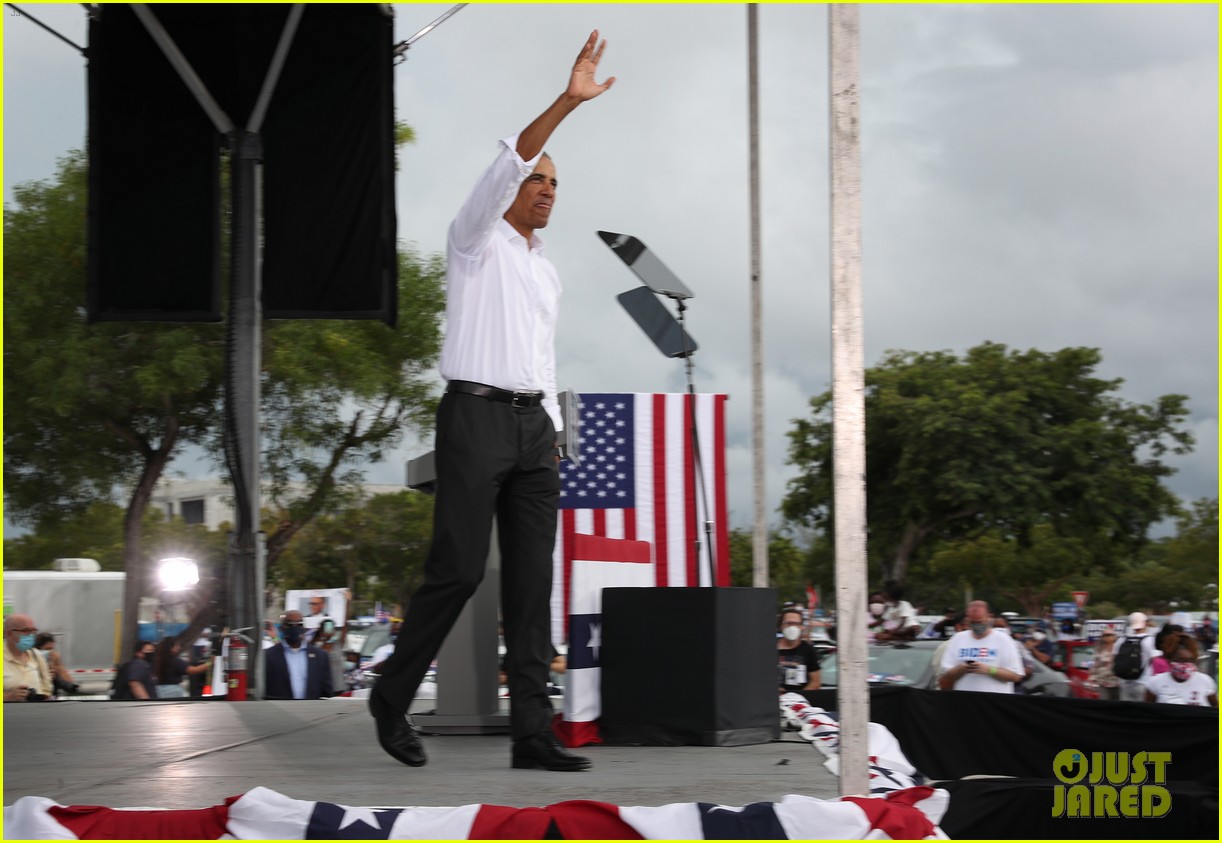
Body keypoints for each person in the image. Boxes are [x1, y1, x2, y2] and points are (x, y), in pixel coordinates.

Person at [370, 30, 614, 774]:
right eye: (536, 178)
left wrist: (552, 430)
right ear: (509, 187)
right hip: (473, 416)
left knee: (534, 583)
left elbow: (539, 356)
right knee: (460, 569)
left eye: (555, 183)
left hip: (534, 426)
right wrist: (567, 101)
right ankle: (391, 695)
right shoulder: (474, 239)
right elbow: (511, 156)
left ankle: (533, 734)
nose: (545, 189)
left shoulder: (547, 271)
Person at [938, 601, 1024, 693]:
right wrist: (962, 669)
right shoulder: (958, 638)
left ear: (989, 617)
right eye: (973, 622)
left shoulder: (1003, 639)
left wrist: (989, 670)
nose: (977, 625)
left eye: (980, 622)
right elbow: (946, 676)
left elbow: (1016, 676)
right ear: (967, 618)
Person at [264, 611, 334, 700]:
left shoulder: (320, 656)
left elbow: (327, 691)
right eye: (289, 624)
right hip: (280, 707)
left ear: (304, 627)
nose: (294, 628)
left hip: (311, 708)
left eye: (299, 624)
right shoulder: (268, 656)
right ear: (281, 628)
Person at [1143, 633, 1217, 706]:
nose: (1185, 664)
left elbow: (1216, 709)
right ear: (1169, 660)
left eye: (1189, 660)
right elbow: (1147, 710)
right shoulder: (1155, 682)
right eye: (1180, 660)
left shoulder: (1205, 681)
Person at [4, 613, 53, 702]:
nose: (30, 635)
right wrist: (6, 698)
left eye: (33, 631)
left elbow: (47, 690)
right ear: (9, 633)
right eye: (25, 631)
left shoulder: (37, 656)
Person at [1112, 611, 1159, 702]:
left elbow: (1114, 659)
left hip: (1124, 682)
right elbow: (1156, 660)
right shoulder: (1149, 640)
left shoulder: (1121, 640)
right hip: (1143, 682)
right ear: (1145, 623)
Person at [777, 608, 821, 693]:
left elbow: (815, 682)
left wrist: (797, 697)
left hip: (800, 699)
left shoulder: (808, 649)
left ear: (801, 627)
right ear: (781, 626)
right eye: (789, 623)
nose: (792, 627)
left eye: (796, 624)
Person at [1088, 630, 1121, 700]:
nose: (1107, 637)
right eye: (1105, 635)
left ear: (1114, 637)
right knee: (1105, 701)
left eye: (1109, 635)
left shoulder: (1119, 648)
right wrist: (1092, 678)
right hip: (1103, 681)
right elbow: (1095, 665)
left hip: (1117, 681)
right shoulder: (1099, 649)